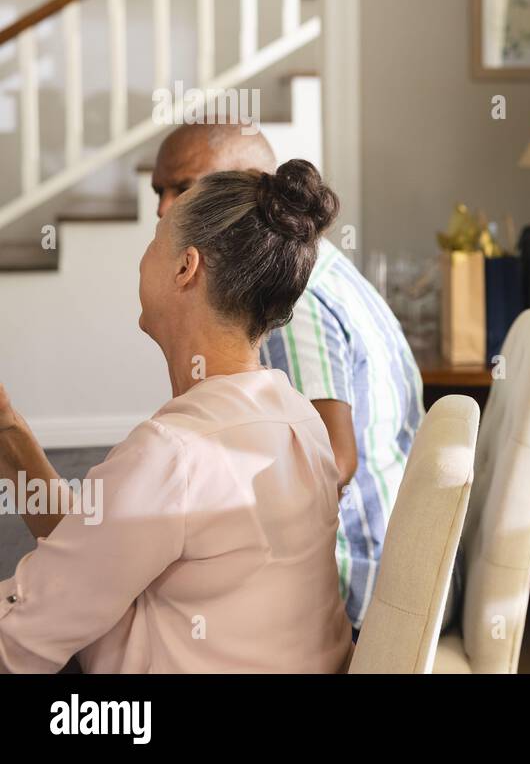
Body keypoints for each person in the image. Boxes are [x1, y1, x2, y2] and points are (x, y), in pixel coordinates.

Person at [0, 160, 353, 672]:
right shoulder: (299, 420)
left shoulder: (175, 453)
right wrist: (10, 432)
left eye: (155, 239)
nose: (141, 259)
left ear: (185, 267)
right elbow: (98, 549)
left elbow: (19, 641)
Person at [151, 125, 425, 633]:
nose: (165, 209)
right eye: (159, 192)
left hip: (361, 589)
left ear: (255, 190)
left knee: (132, 596)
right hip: (405, 574)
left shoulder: (293, 306)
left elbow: (330, 464)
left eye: (185, 188)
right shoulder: (326, 270)